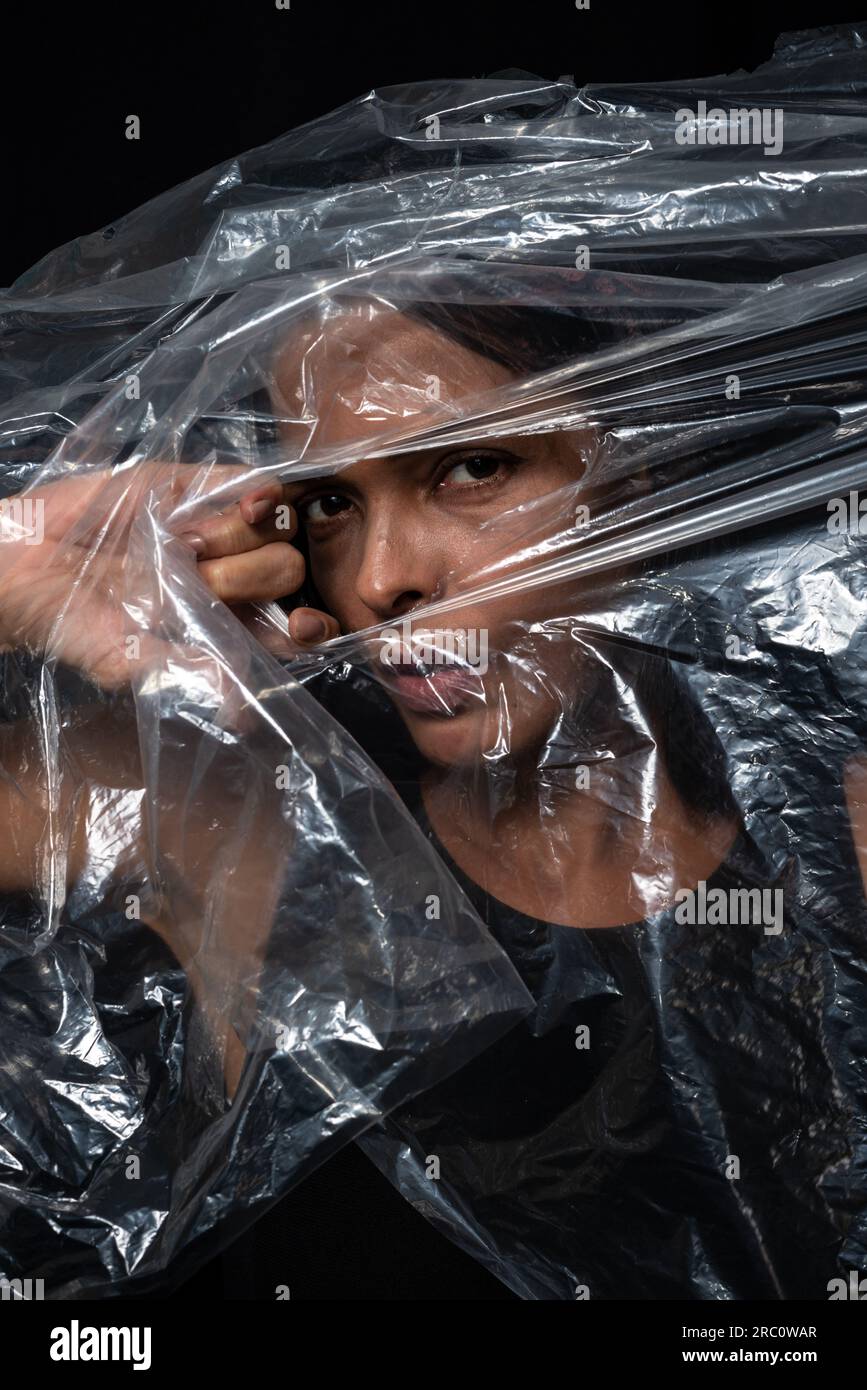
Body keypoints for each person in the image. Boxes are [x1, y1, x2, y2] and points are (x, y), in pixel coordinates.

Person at [1, 296, 865, 1299]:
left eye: (472, 468)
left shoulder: (839, 836)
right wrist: (14, 560)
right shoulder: (238, 810)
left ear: (641, 467)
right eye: (331, 500)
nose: (380, 578)